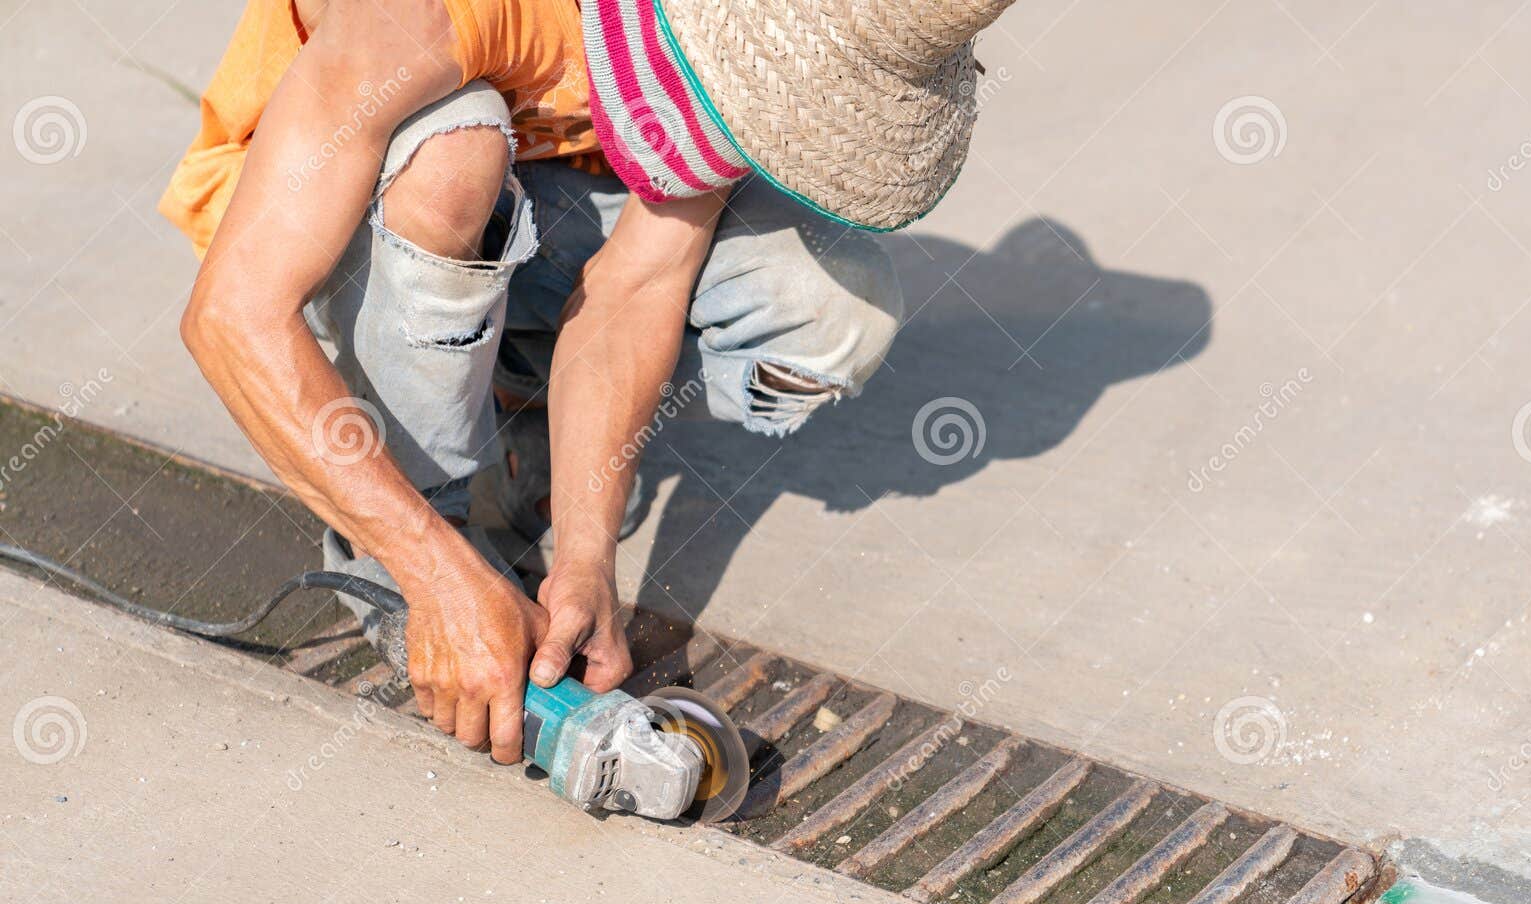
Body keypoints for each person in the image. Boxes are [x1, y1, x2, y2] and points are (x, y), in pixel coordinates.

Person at [165, 0, 1016, 764]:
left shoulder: (734, 44)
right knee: (456, 154)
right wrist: (436, 574)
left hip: (541, 204)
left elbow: (635, 285)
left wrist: (584, 557)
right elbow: (232, 316)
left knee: (833, 302)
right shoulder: (425, 15)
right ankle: (405, 541)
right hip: (329, 230)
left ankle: (516, 398)